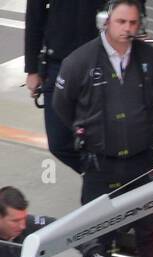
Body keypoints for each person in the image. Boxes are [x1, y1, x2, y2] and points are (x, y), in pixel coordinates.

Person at [52, 0, 153, 257]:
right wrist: (90, 133)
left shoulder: (149, 58)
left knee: (150, 229)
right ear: (106, 21)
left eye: (133, 23)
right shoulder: (80, 61)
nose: (128, 29)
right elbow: (63, 105)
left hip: (142, 161)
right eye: (121, 22)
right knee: (95, 232)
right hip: (100, 164)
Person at [23, 0, 102, 172]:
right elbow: (34, 15)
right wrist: (32, 69)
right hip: (57, 63)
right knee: (58, 142)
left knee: (99, 135)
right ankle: (97, 176)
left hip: (99, 61)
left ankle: (99, 183)